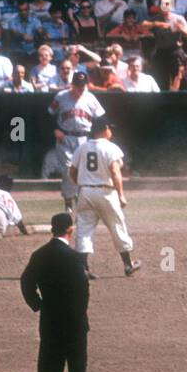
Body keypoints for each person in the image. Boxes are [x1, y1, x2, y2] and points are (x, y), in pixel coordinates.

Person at [20, 212, 102, 372]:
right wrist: (81, 314)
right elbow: (82, 290)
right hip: (73, 318)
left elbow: (26, 281)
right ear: (70, 230)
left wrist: (37, 304)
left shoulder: (40, 254)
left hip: (49, 316)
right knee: (77, 363)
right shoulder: (74, 257)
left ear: (52, 229)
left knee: (48, 361)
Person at [68, 116, 140, 279]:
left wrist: (82, 184)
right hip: (106, 192)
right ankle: (128, 265)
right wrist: (121, 195)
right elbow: (115, 172)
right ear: (105, 129)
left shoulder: (82, 147)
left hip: (85, 192)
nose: (111, 131)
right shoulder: (111, 147)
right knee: (117, 226)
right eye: (109, 128)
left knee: (84, 229)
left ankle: (83, 268)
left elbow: (72, 171)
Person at [48, 71, 106, 212]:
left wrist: (100, 134)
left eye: (83, 86)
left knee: (84, 171)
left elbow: (101, 118)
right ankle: (68, 201)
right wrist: (55, 129)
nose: (80, 88)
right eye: (78, 85)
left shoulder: (90, 98)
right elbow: (49, 113)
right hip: (66, 137)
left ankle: (81, 201)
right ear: (72, 84)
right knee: (68, 170)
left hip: (84, 138)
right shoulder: (61, 96)